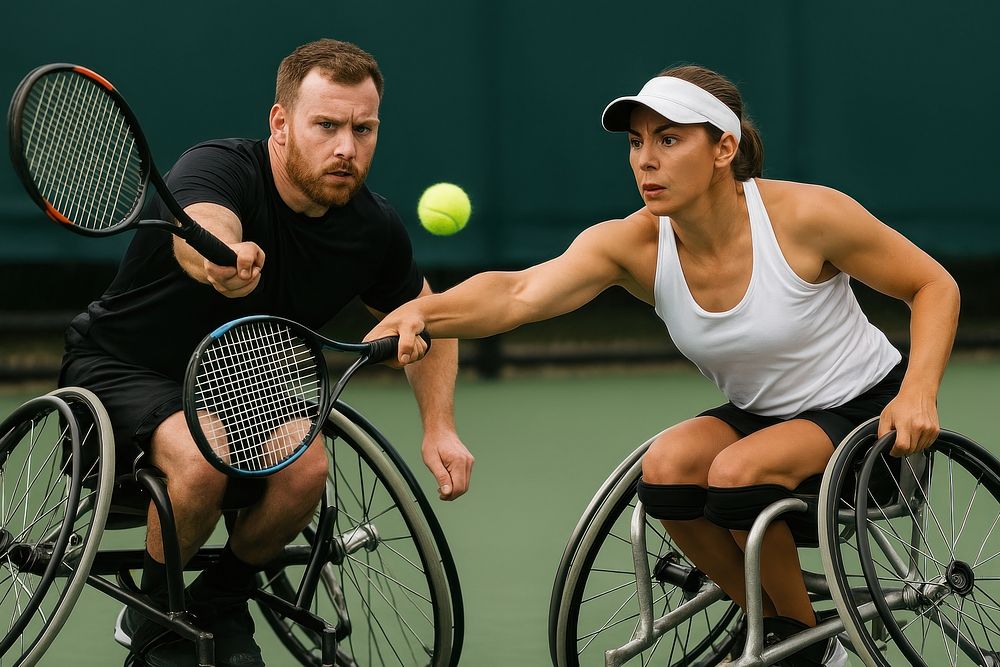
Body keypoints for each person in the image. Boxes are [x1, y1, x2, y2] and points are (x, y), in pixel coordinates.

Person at [366, 65, 960, 666]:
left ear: (724, 148)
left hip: (868, 423)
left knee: (734, 473)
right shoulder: (635, 245)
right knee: (668, 466)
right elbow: (519, 293)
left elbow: (933, 285)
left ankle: (792, 645)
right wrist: (425, 313)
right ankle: (796, 631)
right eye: (635, 142)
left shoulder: (808, 218)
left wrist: (918, 393)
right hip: (763, 417)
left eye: (669, 140)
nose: (645, 160)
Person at [59, 39, 474, 667]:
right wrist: (222, 257)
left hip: (239, 383)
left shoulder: (371, 228)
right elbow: (199, 226)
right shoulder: (220, 167)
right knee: (205, 459)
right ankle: (156, 621)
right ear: (280, 124)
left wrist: (439, 427)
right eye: (327, 125)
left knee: (305, 469)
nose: (346, 147)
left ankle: (222, 599)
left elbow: (429, 318)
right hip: (124, 370)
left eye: (363, 129)